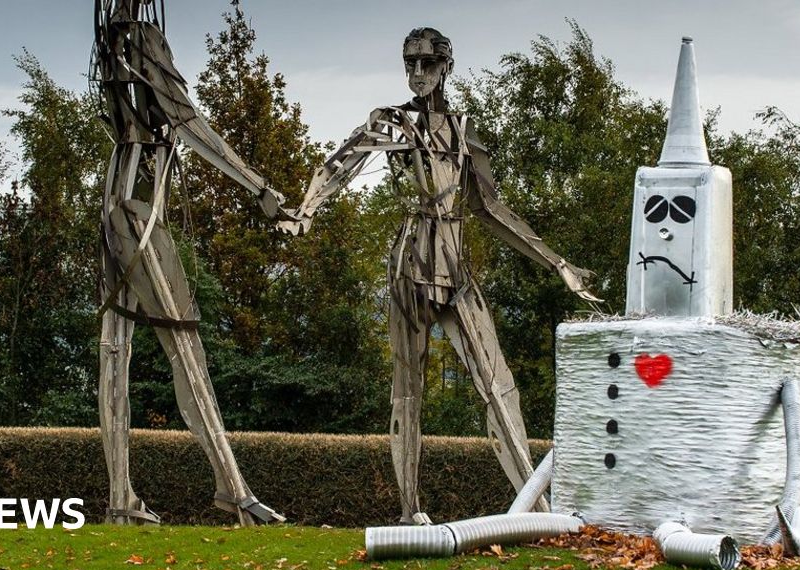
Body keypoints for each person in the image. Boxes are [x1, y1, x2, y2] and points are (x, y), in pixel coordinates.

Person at [279, 28, 599, 525]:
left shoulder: (464, 131)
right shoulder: (396, 123)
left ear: (447, 66)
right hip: (411, 263)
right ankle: (410, 510)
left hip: (456, 265)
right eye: (410, 64)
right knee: (408, 389)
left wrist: (557, 263)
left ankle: (537, 509)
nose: (417, 74)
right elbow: (341, 162)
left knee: (497, 383)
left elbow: (491, 208)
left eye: (427, 63)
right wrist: (306, 209)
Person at [92, 0, 291, 525]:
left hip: (114, 197)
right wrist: (258, 187)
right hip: (140, 208)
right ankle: (236, 491)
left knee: (116, 350)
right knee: (185, 346)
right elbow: (185, 120)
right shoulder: (143, 37)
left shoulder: (107, 40)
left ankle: (121, 499)